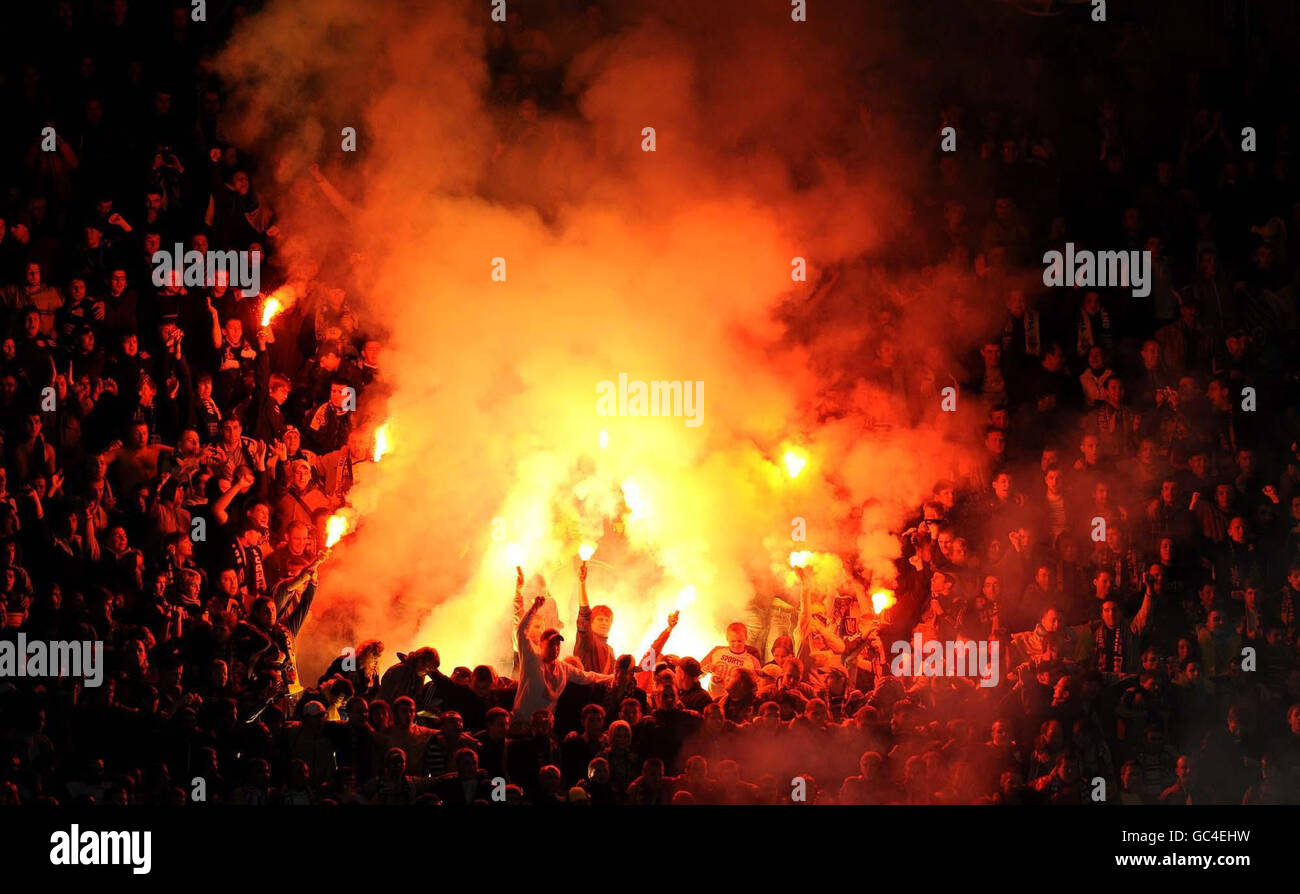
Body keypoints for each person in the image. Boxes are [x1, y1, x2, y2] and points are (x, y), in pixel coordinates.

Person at [512, 594, 613, 724]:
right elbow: (521, 631)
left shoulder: (562, 668)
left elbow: (587, 676)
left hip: (545, 727)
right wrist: (534, 608)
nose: (555, 648)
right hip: (522, 725)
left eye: (557, 644)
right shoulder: (532, 659)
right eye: (551, 644)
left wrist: (612, 677)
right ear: (542, 644)